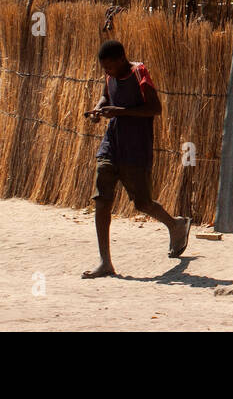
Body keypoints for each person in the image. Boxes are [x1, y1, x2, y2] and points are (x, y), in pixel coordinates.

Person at [81, 39, 190, 278]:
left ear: (121, 59)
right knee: (102, 199)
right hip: (112, 144)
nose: (106, 71)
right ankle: (105, 261)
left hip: (136, 148)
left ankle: (175, 225)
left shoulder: (139, 72)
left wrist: (121, 112)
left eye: (109, 66)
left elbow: (155, 108)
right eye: (104, 68)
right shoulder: (109, 76)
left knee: (142, 203)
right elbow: (105, 97)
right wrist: (99, 110)